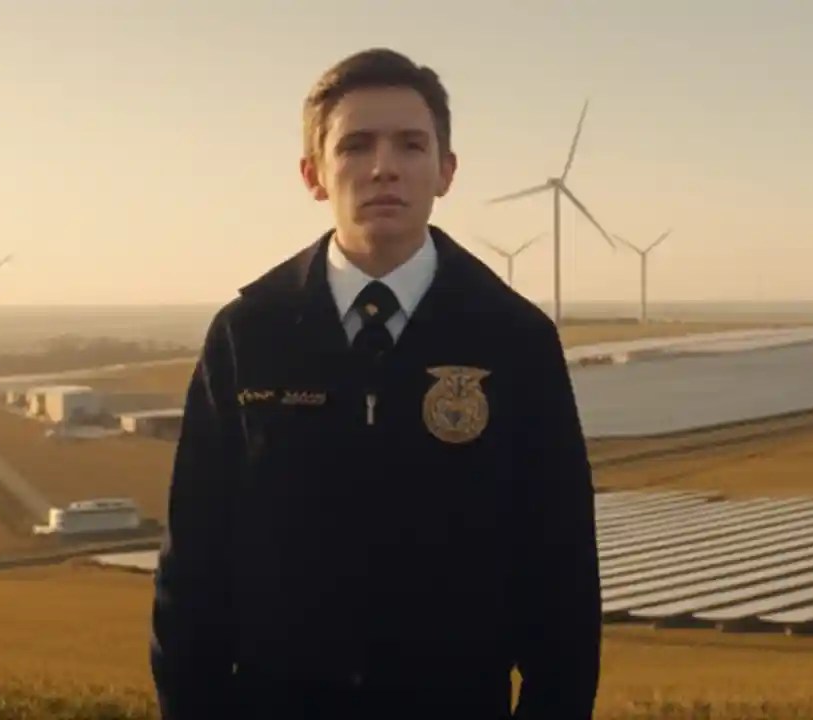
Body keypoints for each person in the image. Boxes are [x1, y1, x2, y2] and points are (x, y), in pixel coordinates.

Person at [149, 47, 602, 719]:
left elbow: (560, 574)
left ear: (446, 171)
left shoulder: (515, 340)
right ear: (313, 174)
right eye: (355, 145)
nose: (383, 166)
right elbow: (193, 569)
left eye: (411, 145)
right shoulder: (248, 335)